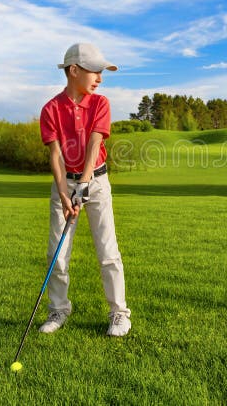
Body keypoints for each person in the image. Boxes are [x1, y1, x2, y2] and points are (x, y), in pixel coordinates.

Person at [38, 42, 131, 337]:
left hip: (97, 183)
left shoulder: (100, 103)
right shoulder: (51, 109)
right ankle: (58, 310)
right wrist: (65, 192)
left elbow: (94, 143)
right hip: (64, 184)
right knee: (58, 254)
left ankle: (119, 314)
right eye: (95, 71)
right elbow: (55, 154)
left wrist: (86, 183)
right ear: (74, 70)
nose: (100, 78)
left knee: (108, 253)